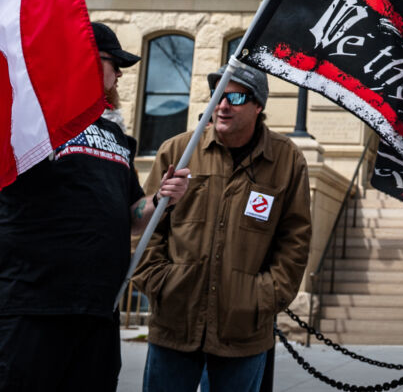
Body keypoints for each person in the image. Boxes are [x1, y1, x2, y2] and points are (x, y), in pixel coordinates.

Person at [0, 22, 159, 392]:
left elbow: (132, 218)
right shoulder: (31, 113)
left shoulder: (117, 134)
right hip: (31, 307)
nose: (119, 73)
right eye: (112, 62)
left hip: (98, 311)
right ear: (84, 60)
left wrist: (160, 198)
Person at [133, 58, 312, 392]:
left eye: (237, 98)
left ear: (259, 106)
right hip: (175, 321)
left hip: (243, 330)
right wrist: (159, 282)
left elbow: (295, 240)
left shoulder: (287, 160)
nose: (224, 106)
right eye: (218, 96)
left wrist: (263, 297)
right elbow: (146, 227)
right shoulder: (178, 151)